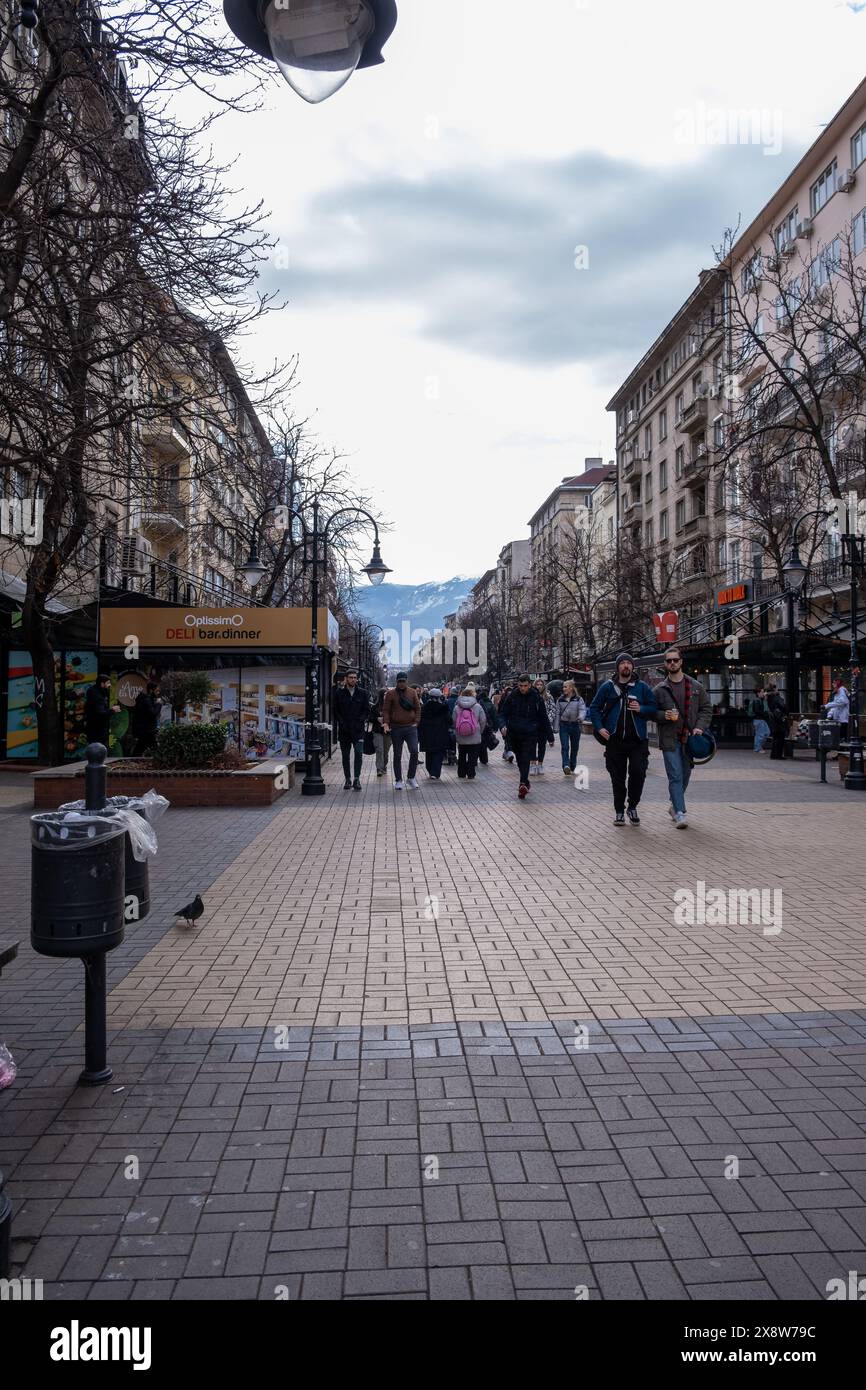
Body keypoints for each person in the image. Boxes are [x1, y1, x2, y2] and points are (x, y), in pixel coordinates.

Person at [590, 652, 657, 827]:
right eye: (622, 663)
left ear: (633, 667)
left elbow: (653, 708)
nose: (626, 666)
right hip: (615, 740)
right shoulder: (608, 687)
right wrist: (599, 727)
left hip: (637, 740)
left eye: (629, 663)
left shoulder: (642, 687)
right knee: (617, 777)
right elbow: (595, 707)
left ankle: (632, 806)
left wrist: (641, 708)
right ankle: (619, 810)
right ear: (618, 667)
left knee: (638, 772)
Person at [653, 647, 712, 829]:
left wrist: (700, 728)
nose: (672, 663)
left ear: (681, 662)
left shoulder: (695, 686)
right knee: (675, 775)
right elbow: (651, 712)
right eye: (669, 661)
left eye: (675, 660)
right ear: (665, 664)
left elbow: (706, 709)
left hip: (689, 739)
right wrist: (664, 716)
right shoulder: (660, 690)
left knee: (685, 775)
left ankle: (674, 804)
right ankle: (680, 813)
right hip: (670, 739)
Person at [497, 674, 554, 799]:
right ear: (518, 685)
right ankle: (526, 781)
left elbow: (543, 717)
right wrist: (502, 726)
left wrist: (550, 736)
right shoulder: (512, 696)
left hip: (530, 733)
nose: (523, 688)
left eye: (525, 686)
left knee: (526, 757)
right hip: (514, 733)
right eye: (520, 686)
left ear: (529, 685)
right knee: (520, 759)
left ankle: (522, 783)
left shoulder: (536, 697)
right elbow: (502, 714)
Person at [382, 672, 421, 789]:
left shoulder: (412, 692)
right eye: (400, 681)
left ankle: (411, 777)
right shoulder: (390, 694)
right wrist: (386, 723)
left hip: (410, 727)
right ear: (397, 682)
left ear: (406, 681)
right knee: (397, 754)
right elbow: (386, 710)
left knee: (414, 751)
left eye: (403, 681)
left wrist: (416, 722)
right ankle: (398, 780)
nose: (402, 683)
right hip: (396, 728)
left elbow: (418, 708)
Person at [334, 668, 367, 790]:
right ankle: (347, 779)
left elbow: (366, 710)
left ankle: (356, 779)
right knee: (345, 755)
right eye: (351, 677)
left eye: (355, 677)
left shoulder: (362, 693)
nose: (353, 679)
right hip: (344, 730)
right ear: (346, 679)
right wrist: (341, 722)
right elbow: (335, 710)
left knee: (358, 753)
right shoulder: (339, 693)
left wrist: (361, 720)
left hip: (358, 731)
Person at [452, 685, 487, 780]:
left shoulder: (456, 707)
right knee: (473, 755)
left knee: (462, 754)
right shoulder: (478, 706)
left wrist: (457, 730)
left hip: (461, 736)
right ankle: (471, 773)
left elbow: (454, 721)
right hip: (474, 735)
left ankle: (461, 773)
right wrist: (480, 730)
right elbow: (483, 720)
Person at [552, 680, 586, 774]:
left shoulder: (579, 699)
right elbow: (557, 714)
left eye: (565, 687)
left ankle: (572, 764)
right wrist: (555, 727)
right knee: (565, 746)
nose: (563, 689)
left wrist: (581, 717)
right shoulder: (560, 699)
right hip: (564, 725)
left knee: (575, 747)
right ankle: (565, 765)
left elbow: (582, 709)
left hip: (575, 725)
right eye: (563, 687)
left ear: (571, 688)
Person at [419, 687, 450, 779]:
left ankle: (430, 769)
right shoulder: (443, 708)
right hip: (441, 733)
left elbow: (420, 722)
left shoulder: (424, 708)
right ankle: (435, 772)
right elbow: (449, 720)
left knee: (429, 752)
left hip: (427, 734)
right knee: (439, 752)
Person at [84, 672, 121, 747]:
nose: (109, 685)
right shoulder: (98, 697)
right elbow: (100, 713)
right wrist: (113, 710)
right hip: (98, 730)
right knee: (98, 749)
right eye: (107, 683)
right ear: (102, 684)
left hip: (94, 728)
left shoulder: (95, 692)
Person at [531, 679, 557, 776]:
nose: (539, 686)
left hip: (544, 725)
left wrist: (548, 719)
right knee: (532, 745)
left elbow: (552, 709)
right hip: (533, 725)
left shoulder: (548, 697)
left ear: (544, 686)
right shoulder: (531, 696)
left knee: (542, 745)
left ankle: (540, 764)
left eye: (541, 684)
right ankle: (533, 764)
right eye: (537, 684)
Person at [131, 681, 163, 756]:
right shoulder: (146, 700)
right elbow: (153, 713)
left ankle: (133, 760)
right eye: (157, 691)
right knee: (154, 748)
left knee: (140, 747)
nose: (158, 693)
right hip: (147, 730)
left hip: (145, 729)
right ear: (151, 690)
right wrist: (158, 704)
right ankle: (160, 760)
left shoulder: (146, 699)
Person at [369, 688, 391, 777]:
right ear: (381, 695)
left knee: (386, 751)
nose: (386, 696)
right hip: (377, 731)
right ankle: (379, 768)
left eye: (388, 694)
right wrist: (377, 719)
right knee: (379, 750)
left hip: (388, 732)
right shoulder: (375, 707)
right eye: (385, 694)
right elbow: (370, 718)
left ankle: (384, 766)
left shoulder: (392, 707)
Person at [475, 688, 497, 765]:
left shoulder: (478, 704)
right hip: (488, 726)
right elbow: (494, 716)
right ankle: (484, 759)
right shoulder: (490, 704)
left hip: (479, 725)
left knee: (478, 742)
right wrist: (495, 727)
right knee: (484, 743)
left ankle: (476, 759)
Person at [766, 683, 788, 760]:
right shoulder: (776, 697)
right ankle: (778, 755)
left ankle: (773, 754)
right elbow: (783, 706)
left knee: (775, 738)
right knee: (780, 738)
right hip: (779, 720)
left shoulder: (769, 698)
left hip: (773, 720)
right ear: (774, 689)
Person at [748, 685, 772, 753]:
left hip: (761, 719)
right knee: (760, 734)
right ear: (758, 693)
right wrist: (765, 714)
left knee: (767, 733)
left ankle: (759, 747)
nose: (763, 693)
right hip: (758, 720)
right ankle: (757, 748)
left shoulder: (761, 700)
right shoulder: (756, 700)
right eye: (762, 692)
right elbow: (757, 711)